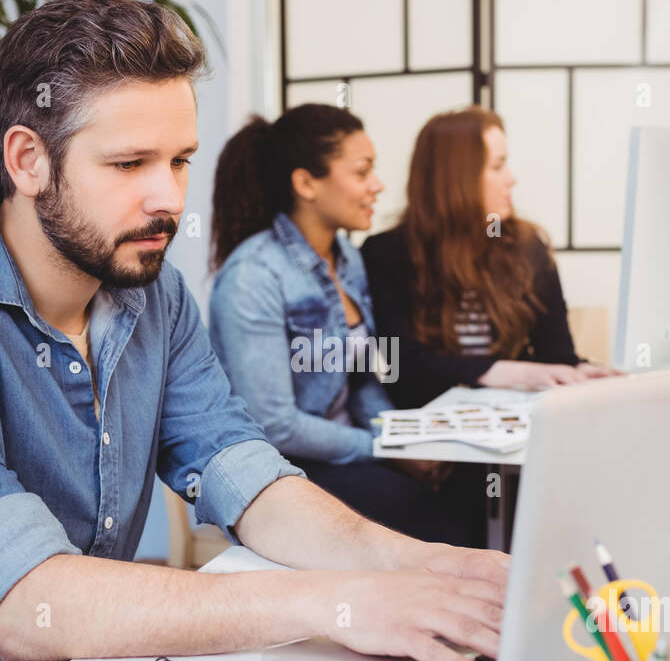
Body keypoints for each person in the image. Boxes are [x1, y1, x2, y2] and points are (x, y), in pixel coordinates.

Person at [0, 0, 508, 661]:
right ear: (28, 160)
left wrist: (413, 563)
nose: (168, 198)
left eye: (180, 161)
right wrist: (336, 602)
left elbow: (243, 471)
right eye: (130, 163)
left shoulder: (151, 295)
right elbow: (25, 602)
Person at [208, 105, 485, 545]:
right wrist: (382, 449)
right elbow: (275, 425)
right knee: (437, 524)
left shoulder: (349, 259)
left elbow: (360, 380)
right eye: (362, 172)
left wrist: (402, 440)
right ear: (305, 184)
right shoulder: (253, 276)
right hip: (285, 471)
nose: (378, 185)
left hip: (348, 454)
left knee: (470, 491)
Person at [361, 106, 617, 409]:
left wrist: (582, 371)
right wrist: (504, 371)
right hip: (429, 437)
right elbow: (402, 366)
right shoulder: (387, 253)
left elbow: (556, 355)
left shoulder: (526, 247)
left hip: (514, 432)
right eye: (498, 167)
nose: (511, 179)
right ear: (458, 178)